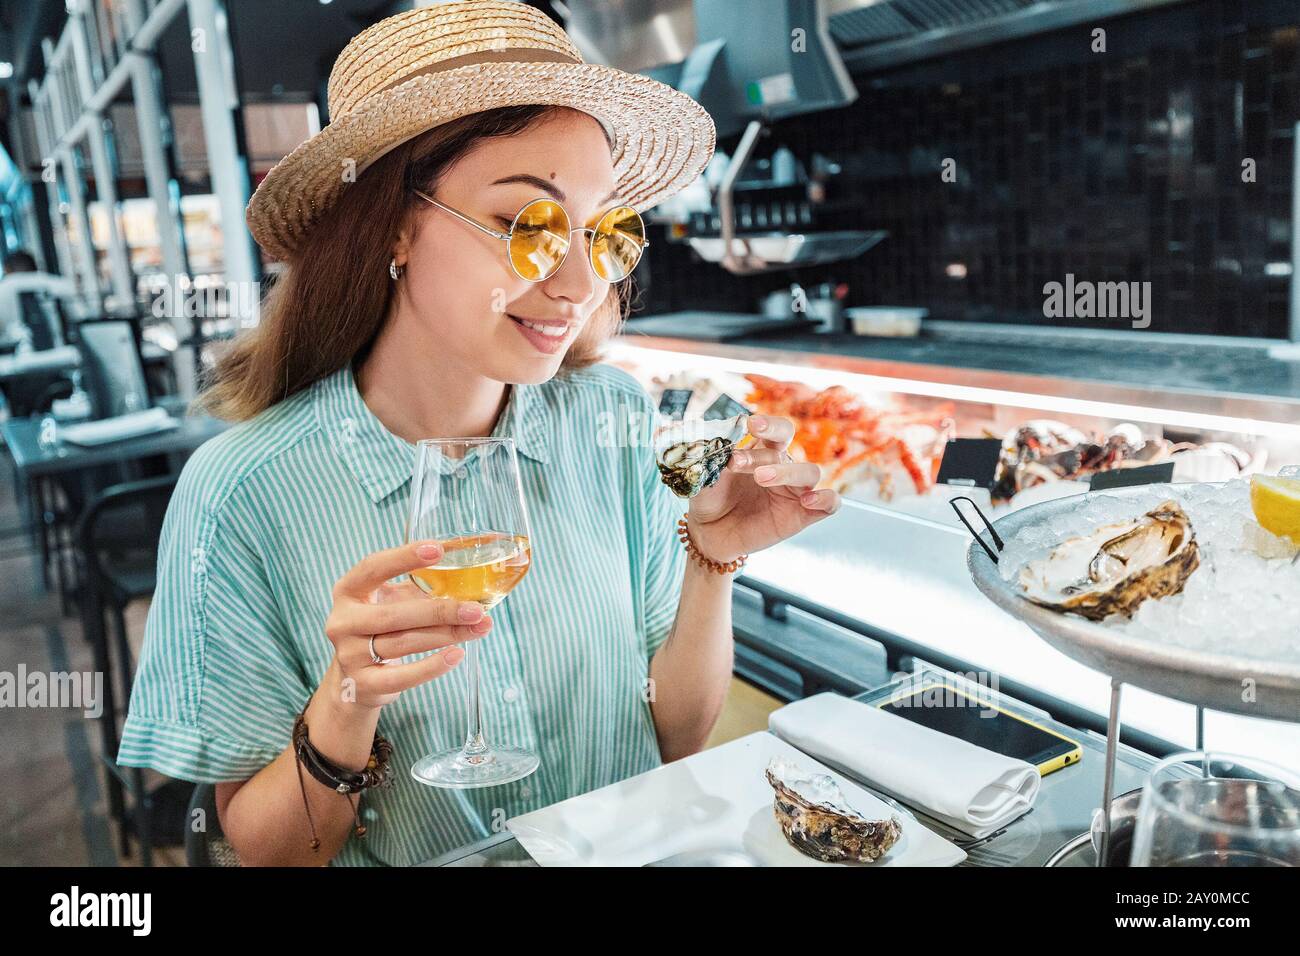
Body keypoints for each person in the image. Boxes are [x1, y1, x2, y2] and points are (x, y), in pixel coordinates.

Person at [117, 2, 840, 866]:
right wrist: (348, 699)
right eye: (524, 224)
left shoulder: (608, 419)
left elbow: (673, 740)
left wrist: (712, 559)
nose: (577, 283)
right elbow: (272, 851)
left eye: (598, 230)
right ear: (392, 223)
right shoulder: (242, 491)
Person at [0, 250, 77, 352]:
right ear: (35, 266)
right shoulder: (61, 284)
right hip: (63, 353)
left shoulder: (3, 289)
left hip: (18, 358)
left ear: (7, 269)